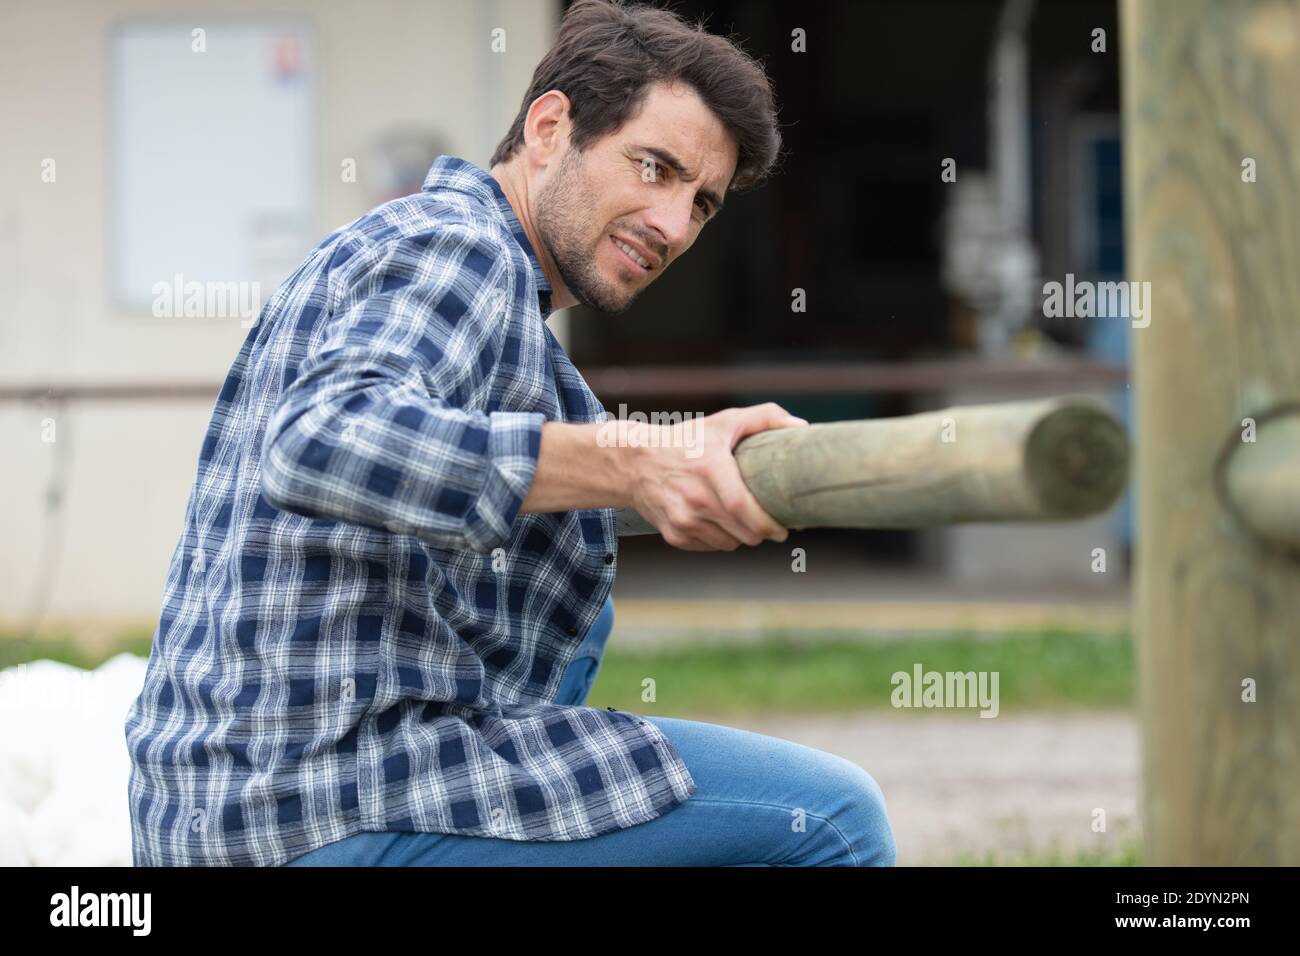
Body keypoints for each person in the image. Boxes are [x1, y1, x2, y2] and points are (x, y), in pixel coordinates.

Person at [125, 0, 896, 867]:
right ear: (550, 126)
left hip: (241, 807)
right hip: (329, 796)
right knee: (833, 821)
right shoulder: (463, 247)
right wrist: (634, 459)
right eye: (653, 166)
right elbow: (323, 436)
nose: (674, 225)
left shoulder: (494, 316)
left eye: (702, 203)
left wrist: (682, 467)